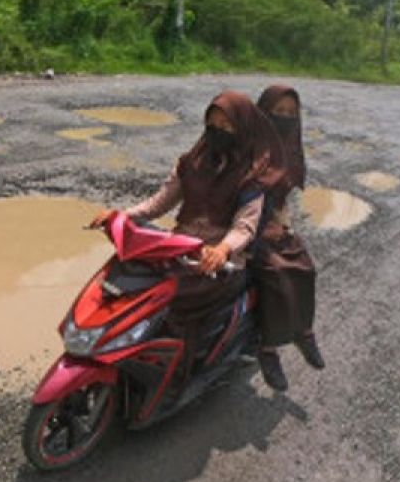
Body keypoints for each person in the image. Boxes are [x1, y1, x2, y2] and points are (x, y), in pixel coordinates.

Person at [91, 90, 286, 388]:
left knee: (172, 298)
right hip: (179, 248)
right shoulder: (192, 162)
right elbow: (158, 203)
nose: (217, 132)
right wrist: (120, 215)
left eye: (226, 126)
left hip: (220, 262)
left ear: (242, 128)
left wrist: (223, 249)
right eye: (212, 123)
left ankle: (183, 368)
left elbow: (244, 227)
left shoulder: (251, 175)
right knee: (132, 280)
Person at [251, 85, 324, 391]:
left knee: (305, 266)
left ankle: (303, 332)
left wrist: (285, 224)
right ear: (262, 113)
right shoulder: (248, 145)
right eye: (277, 112)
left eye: (290, 114)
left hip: (271, 219)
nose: (284, 119)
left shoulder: (290, 150)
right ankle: (268, 349)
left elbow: (282, 201)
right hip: (244, 217)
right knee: (276, 273)